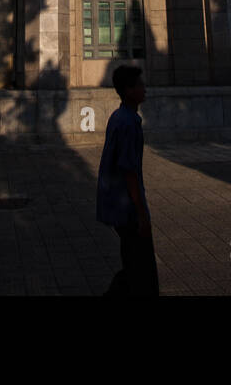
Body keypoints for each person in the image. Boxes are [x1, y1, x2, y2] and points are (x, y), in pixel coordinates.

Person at [97, 65, 159, 296]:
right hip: (127, 208)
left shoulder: (119, 116)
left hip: (117, 205)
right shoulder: (128, 123)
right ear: (129, 90)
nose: (145, 89)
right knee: (140, 271)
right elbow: (129, 171)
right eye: (140, 85)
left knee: (132, 264)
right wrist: (142, 213)